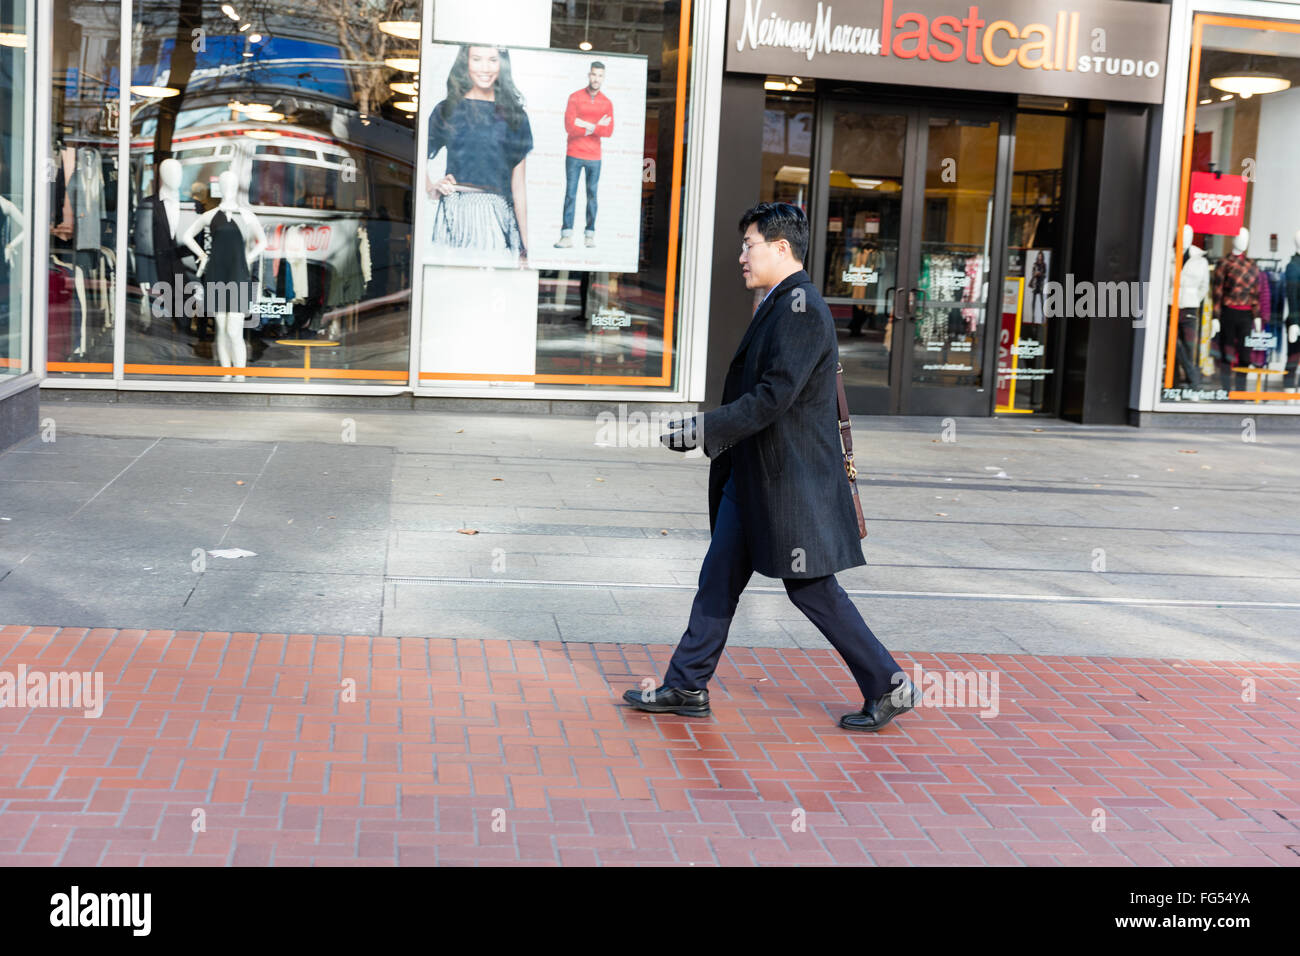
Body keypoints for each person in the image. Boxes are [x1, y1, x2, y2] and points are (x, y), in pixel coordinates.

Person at [623, 202, 918, 732]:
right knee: (718, 578)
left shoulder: (801, 307)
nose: (741, 256)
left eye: (748, 245)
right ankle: (687, 685)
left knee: (811, 588)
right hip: (755, 476)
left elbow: (772, 397)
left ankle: (889, 684)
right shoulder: (782, 301)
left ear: (780, 249)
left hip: (789, 482)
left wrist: (703, 429)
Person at [426, 44, 533, 267]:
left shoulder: (515, 116)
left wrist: (525, 247)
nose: (485, 68)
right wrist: (432, 188)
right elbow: (414, 159)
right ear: (465, 62)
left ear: (502, 64)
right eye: (477, 59)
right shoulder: (447, 110)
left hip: (497, 218)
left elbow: (519, 187)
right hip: (456, 214)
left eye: (493, 60)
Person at [554, 61, 613, 250]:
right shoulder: (575, 98)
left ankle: (589, 235)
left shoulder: (606, 102)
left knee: (592, 196)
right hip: (574, 153)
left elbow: (609, 130)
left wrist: (585, 124)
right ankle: (566, 236)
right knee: (570, 194)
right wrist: (596, 126)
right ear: (589, 75)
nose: (596, 79)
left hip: (595, 156)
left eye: (600, 75)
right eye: (594, 75)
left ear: (604, 77)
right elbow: (569, 127)